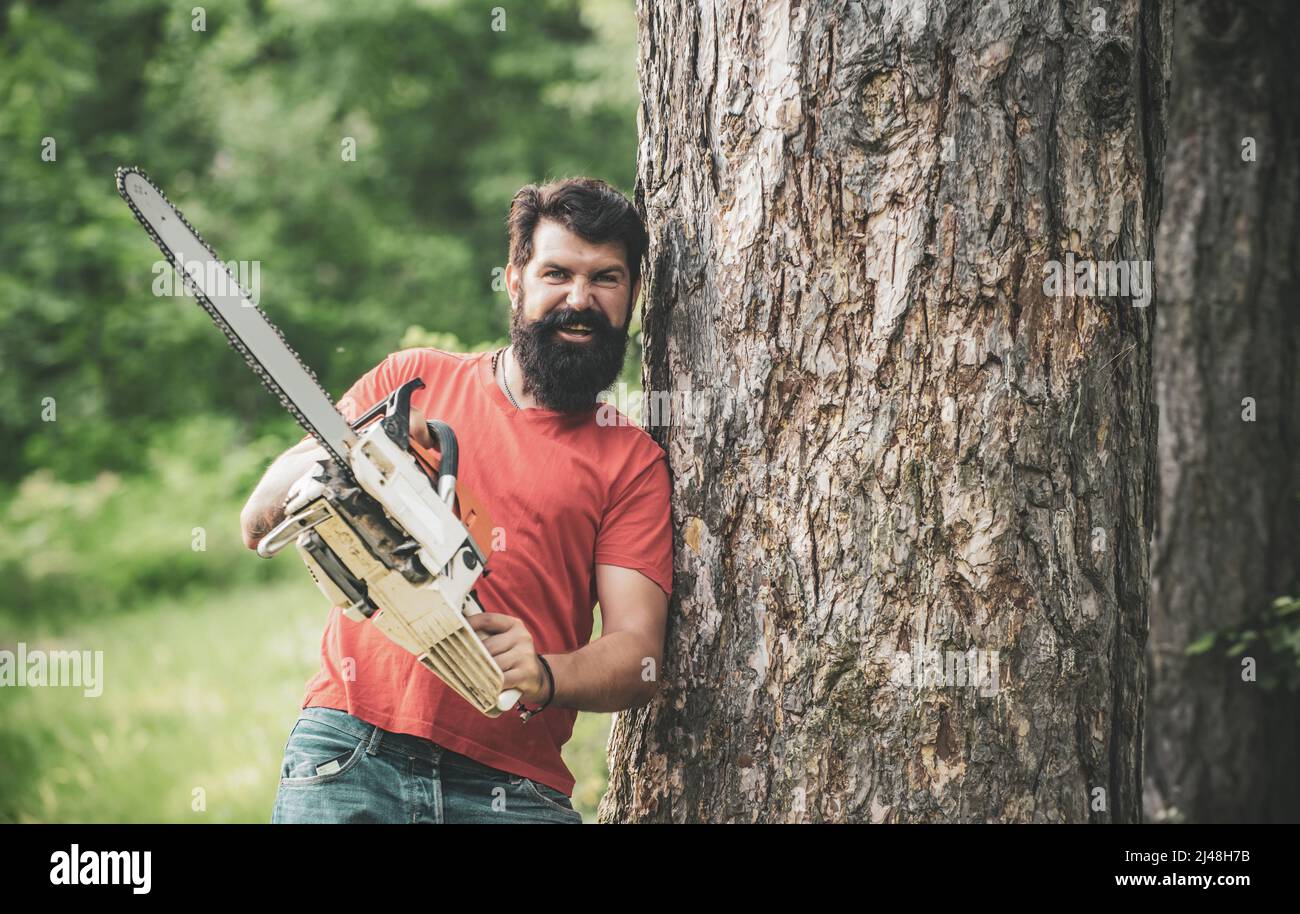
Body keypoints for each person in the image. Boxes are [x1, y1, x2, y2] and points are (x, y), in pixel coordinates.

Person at [239, 177, 672, 824]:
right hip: (353, 751)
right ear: (515, 280)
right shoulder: (414, 382)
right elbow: (259, 517)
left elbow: (639, 655)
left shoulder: (630, 459)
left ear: (632, 294)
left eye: (605, 279)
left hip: (515, 789)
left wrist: (543, 674)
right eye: (557, 273)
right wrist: (361, 445)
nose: (578, 300)